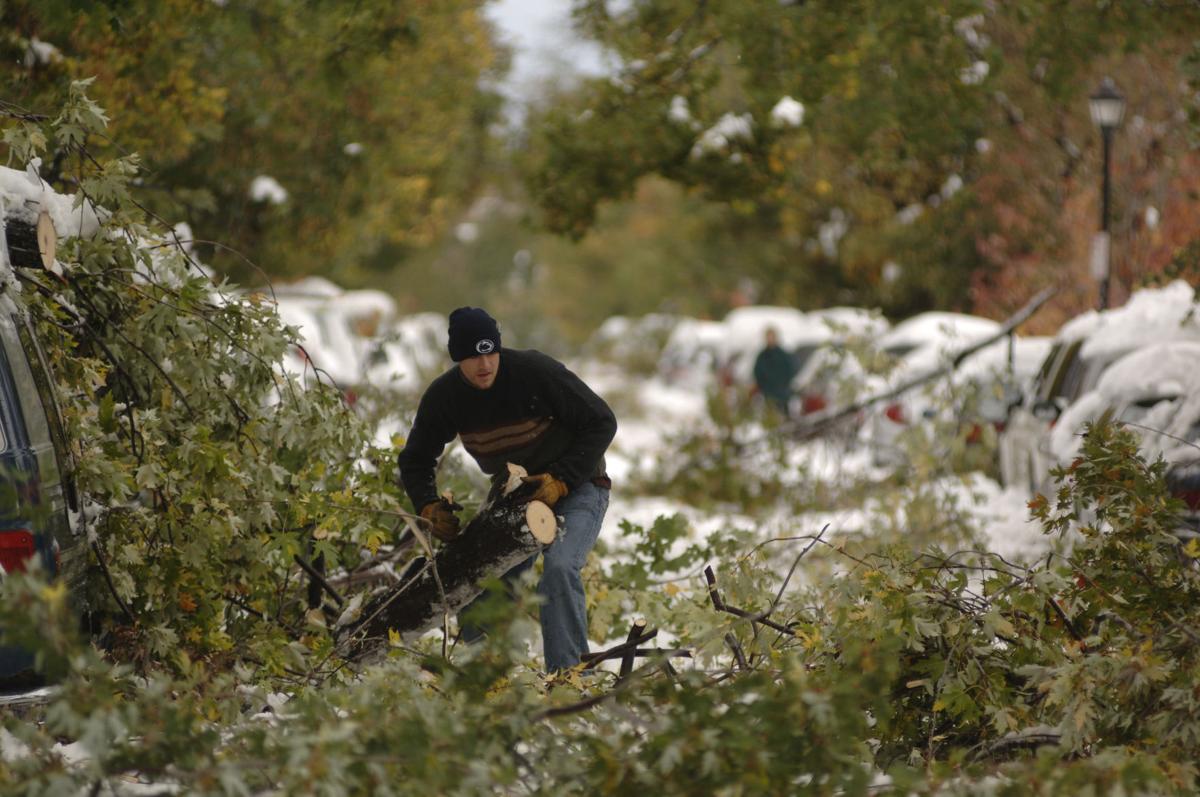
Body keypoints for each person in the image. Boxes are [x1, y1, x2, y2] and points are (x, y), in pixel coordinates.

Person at [397, 307, 617, 672]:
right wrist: (428, 505)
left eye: (490, 352)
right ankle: (485, 675)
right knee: (480, 576)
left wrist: (562, 478)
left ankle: (570, 677)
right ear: (458, 358)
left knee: (560, 569)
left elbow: (602, 420)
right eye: (473, 356)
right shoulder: (445, 397)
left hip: (579, 485)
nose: (484, 364)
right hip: (514, 494)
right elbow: (416, 458)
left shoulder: (535, 372)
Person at [752, 326, 797, 416]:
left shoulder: (783, 355)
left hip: (782, 394)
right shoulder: (762, 356)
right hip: (768, 394)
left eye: (772, 336)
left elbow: (791, 369)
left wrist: (784, 384)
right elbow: (757, 372)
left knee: (784, 416)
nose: (770, 339)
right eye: (768, 337)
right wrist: (763, 386)